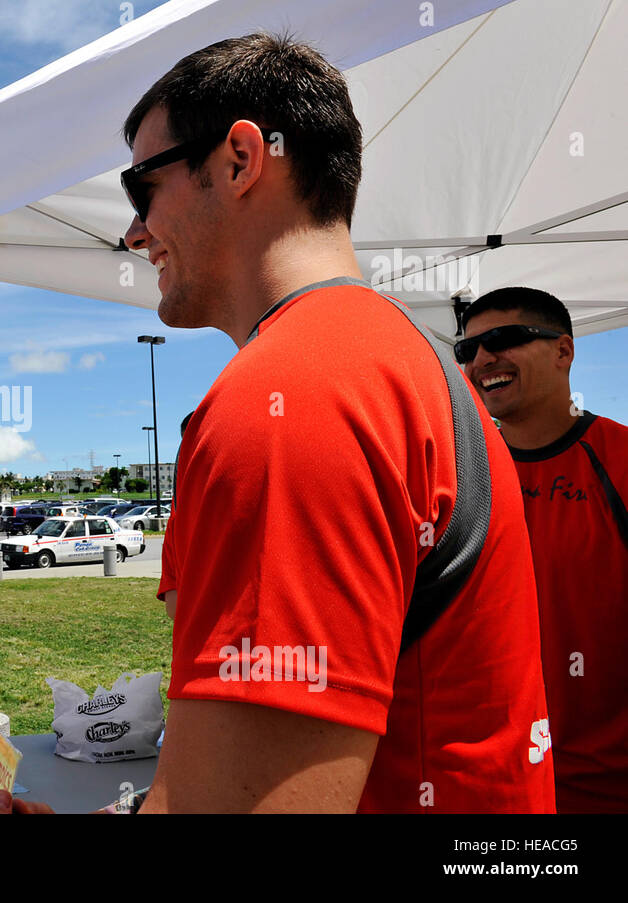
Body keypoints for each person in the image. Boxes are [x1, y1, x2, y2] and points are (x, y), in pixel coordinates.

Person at [110, 33, 554, 813]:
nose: (133, 230)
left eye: (142, 187)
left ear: (242, 160)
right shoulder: (399, 364)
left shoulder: (293, 397)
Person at [459, 286, 628, 813]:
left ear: (563, 352)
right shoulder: (457, 480)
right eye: (469, 350)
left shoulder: (619, 464)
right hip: (492, 794)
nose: (484, 358)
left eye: (505, 339)